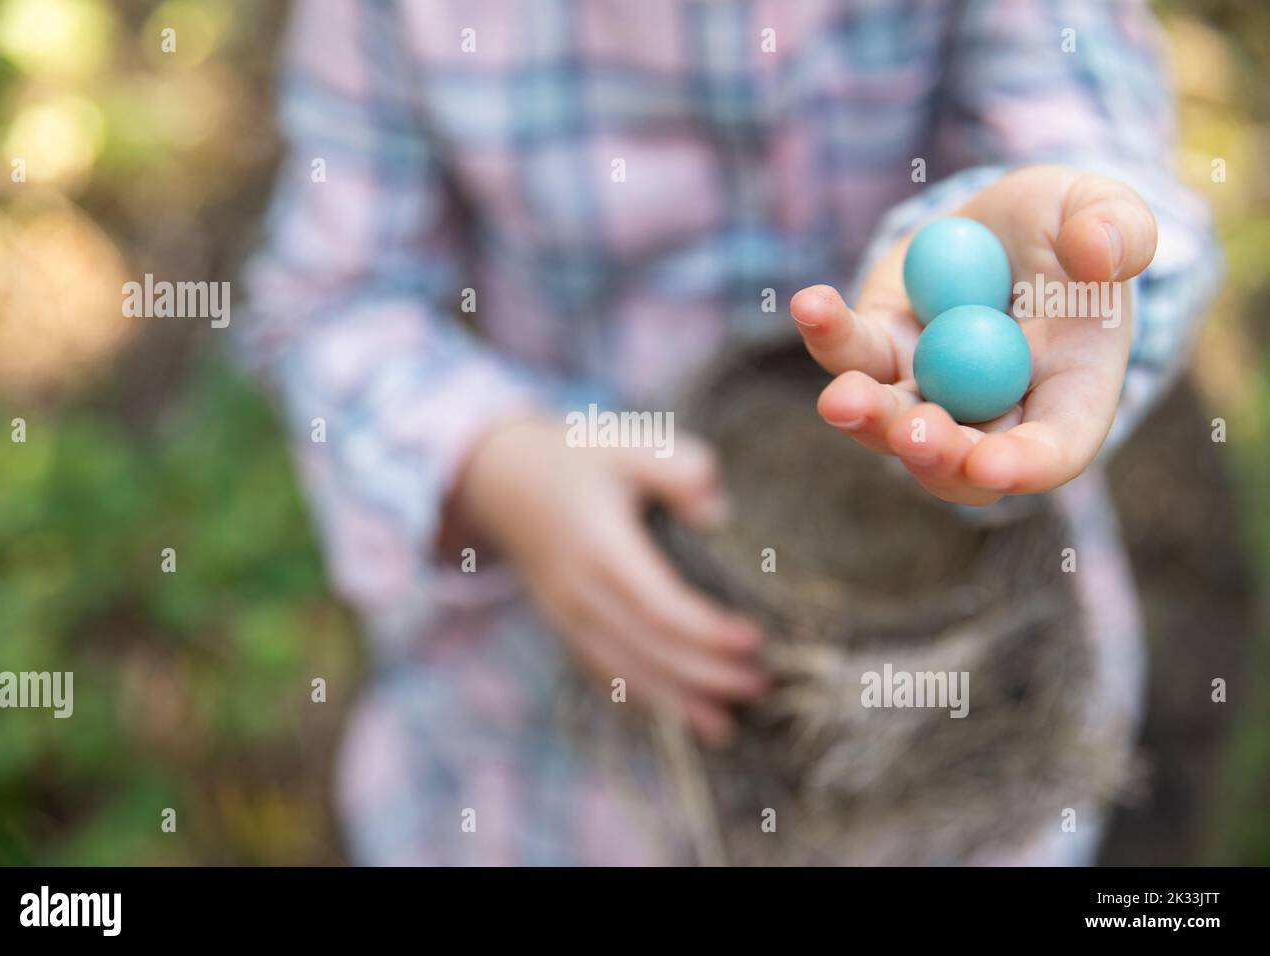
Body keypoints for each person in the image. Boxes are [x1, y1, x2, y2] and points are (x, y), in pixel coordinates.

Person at [241, 0, 1220, 865]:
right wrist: (495, 457)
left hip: (946, 704)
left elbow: (1105, 164)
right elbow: (328, 301)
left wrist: (1066, 241)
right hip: (556, 742)